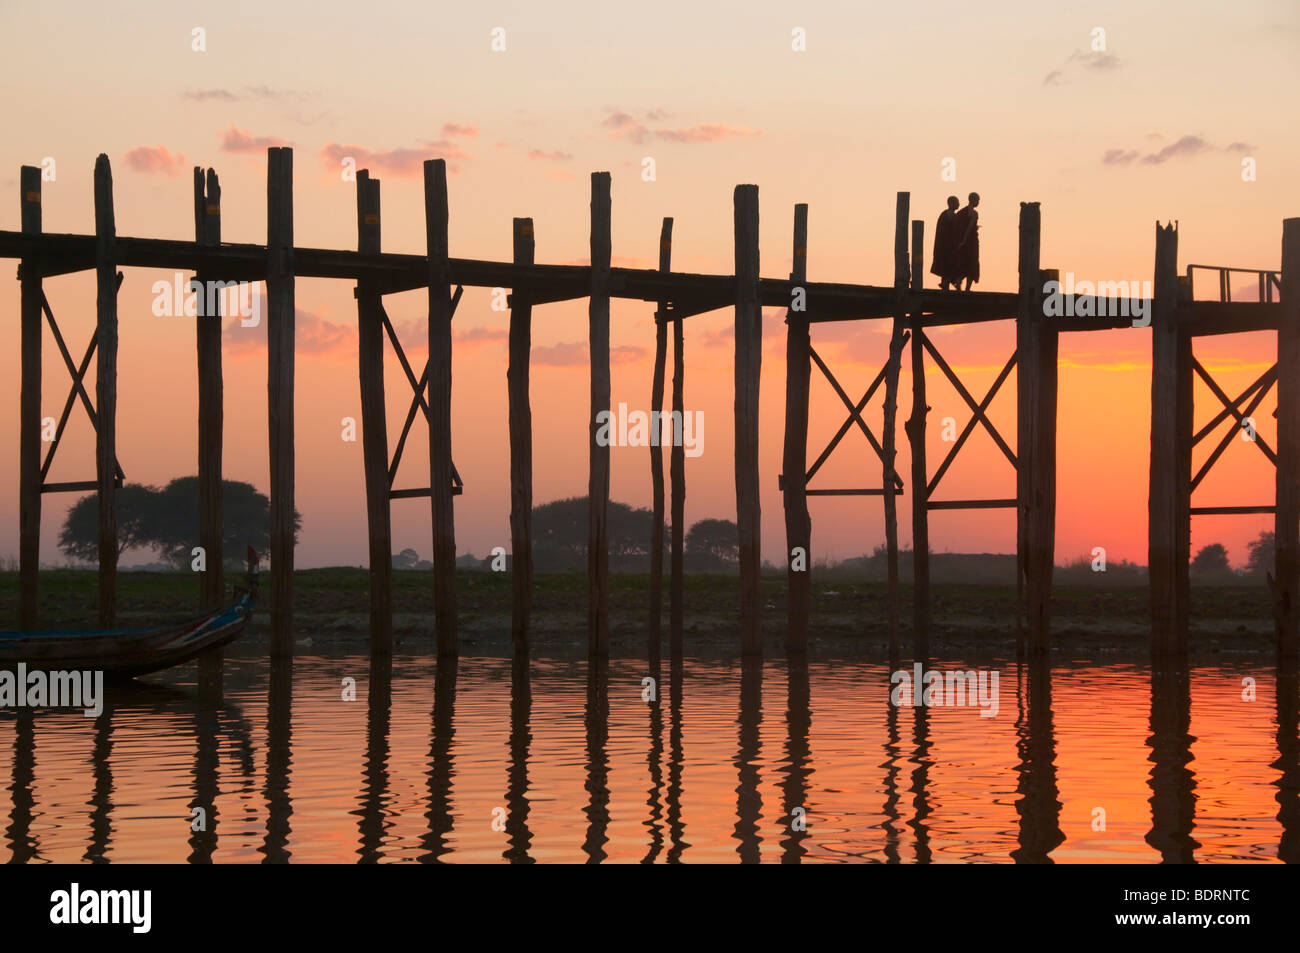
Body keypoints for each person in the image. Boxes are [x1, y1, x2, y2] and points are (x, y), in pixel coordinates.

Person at [930, 196, 961, 290]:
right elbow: (954, 231)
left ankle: (946, 284)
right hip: (948, 246)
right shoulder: (950, 215)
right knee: (951, 264)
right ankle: (948, 283)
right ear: (950, 203)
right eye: (957, 202)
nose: (958, 204)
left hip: (944, 245)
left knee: (946, 266)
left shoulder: (945, 214)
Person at [953, 192, 980, 291]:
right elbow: (969, 227)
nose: (978, 203)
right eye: (978, 200)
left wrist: (961, 241)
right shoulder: (974, 213)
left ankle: (958, 282)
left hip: (961, 242)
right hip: (971, 241)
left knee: (963, 262)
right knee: (972, 263)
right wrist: (965, 239)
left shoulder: (961, 212)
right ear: (973, 200)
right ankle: (967, 288)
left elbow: (958, 227)